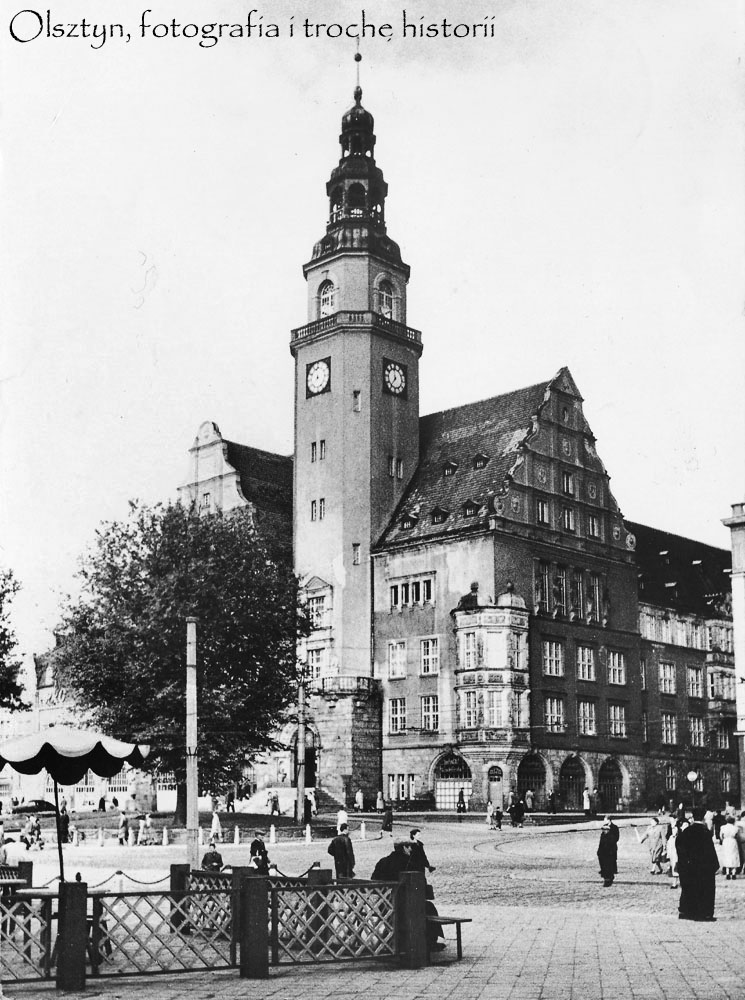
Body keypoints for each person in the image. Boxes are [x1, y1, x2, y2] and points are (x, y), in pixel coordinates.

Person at [677, 807, 720, 921]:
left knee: (690, 888)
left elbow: (680, 847)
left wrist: (684, 863)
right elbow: (710, 851)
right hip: (704, 867)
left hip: (690, 866)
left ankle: (689, 912)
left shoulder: (687, 832)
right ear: (703, 817)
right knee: (705, 890)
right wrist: (714, 865)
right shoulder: (705, 832)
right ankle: (704, 913)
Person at [596, 815, 619, 886]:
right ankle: (606, 874)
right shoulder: (604, 827)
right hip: (603, 850)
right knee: (604, 862)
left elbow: (616, 838)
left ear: (609, 820)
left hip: (611, 848)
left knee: (610, 862)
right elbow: (601, 841)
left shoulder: (615, 827)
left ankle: (609, 876)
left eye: (605, 819)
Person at [719, 816, 740, 880]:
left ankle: (727, 873)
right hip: (733, 841)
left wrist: (723, 840)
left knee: (726, 856)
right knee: (734, 856)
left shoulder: (723, 827)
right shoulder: (735, 828)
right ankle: (734, 873)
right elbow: (737, 836)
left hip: (726, 841)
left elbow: (721, 836)